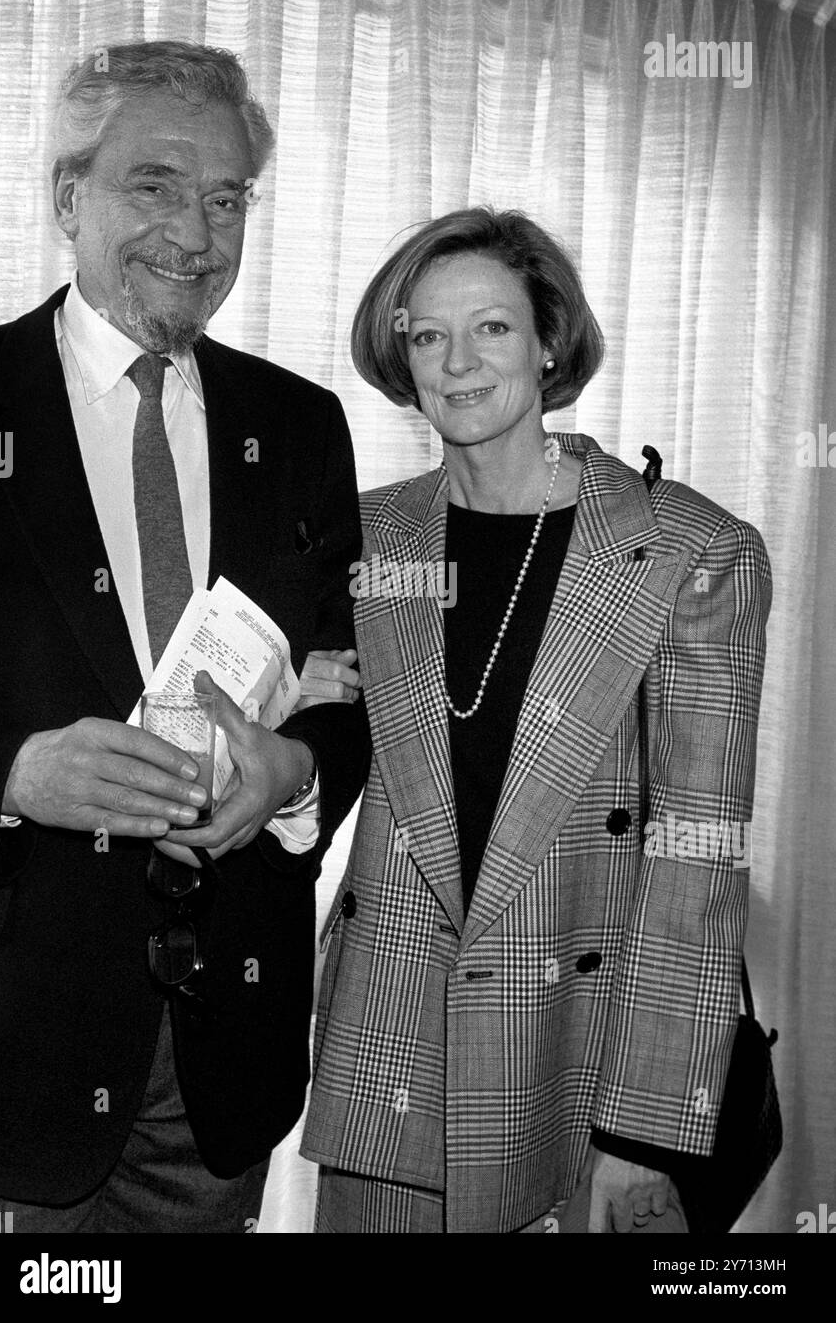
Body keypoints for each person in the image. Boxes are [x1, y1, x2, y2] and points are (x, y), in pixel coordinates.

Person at [299, 206, 772, 1233]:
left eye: (491, 328)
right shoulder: (364, 536)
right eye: (426, 334)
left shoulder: (687, 550)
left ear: (549, 340)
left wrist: (642, 1138)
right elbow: (320, 758)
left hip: (576, 1072)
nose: (455, 362)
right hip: (391, 1060)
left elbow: (696, 863)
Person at [0, 40, 369, 1232]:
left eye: (226, 197)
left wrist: (297, 777)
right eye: (154, 185)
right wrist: (10, 775)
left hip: (216, 1065)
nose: (196, 235)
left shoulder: (301, 425)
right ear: (64, 198)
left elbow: (348, 687)